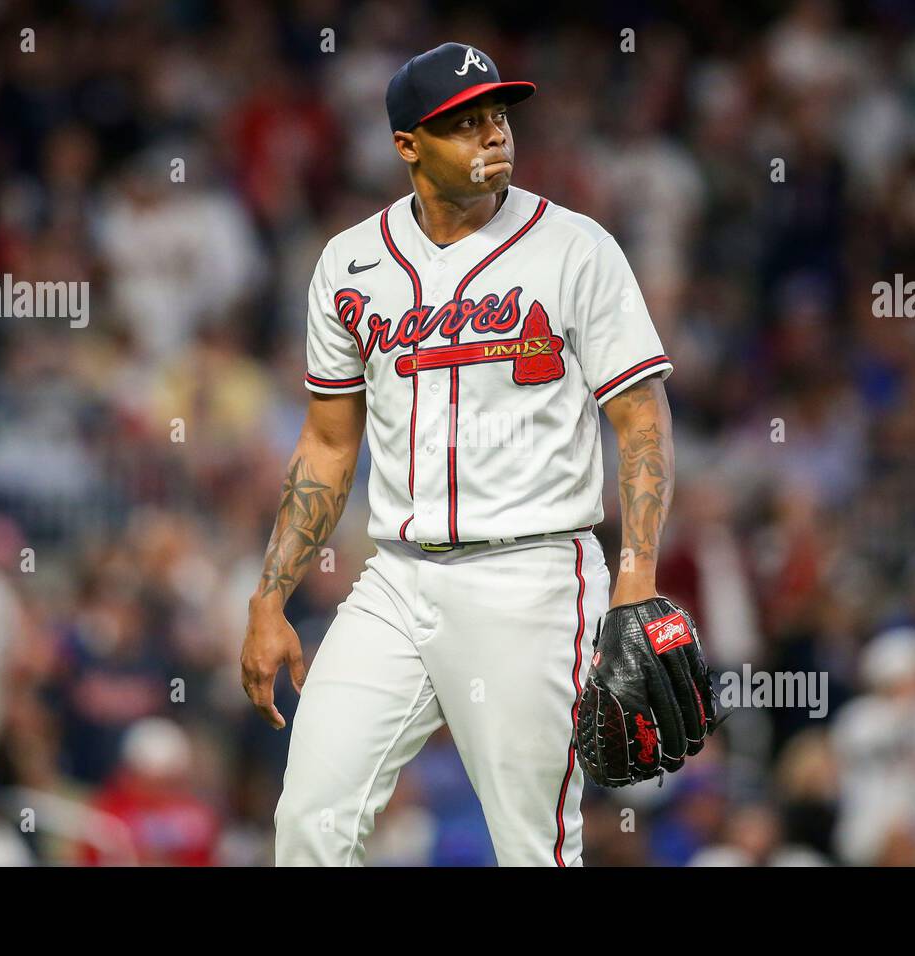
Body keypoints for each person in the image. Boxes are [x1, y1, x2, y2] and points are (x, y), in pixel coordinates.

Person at [240, 42, 679, 866]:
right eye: (465, 123)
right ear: (408, 144)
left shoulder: (575, 247)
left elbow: (642, 421)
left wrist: (636, 581)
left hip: (533, 574)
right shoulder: (350, 262)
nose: (493, 136)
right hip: (396, 578)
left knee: (532, 849)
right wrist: (272, 596)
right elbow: (331, 443)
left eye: (499, 116)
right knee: (309, 822)